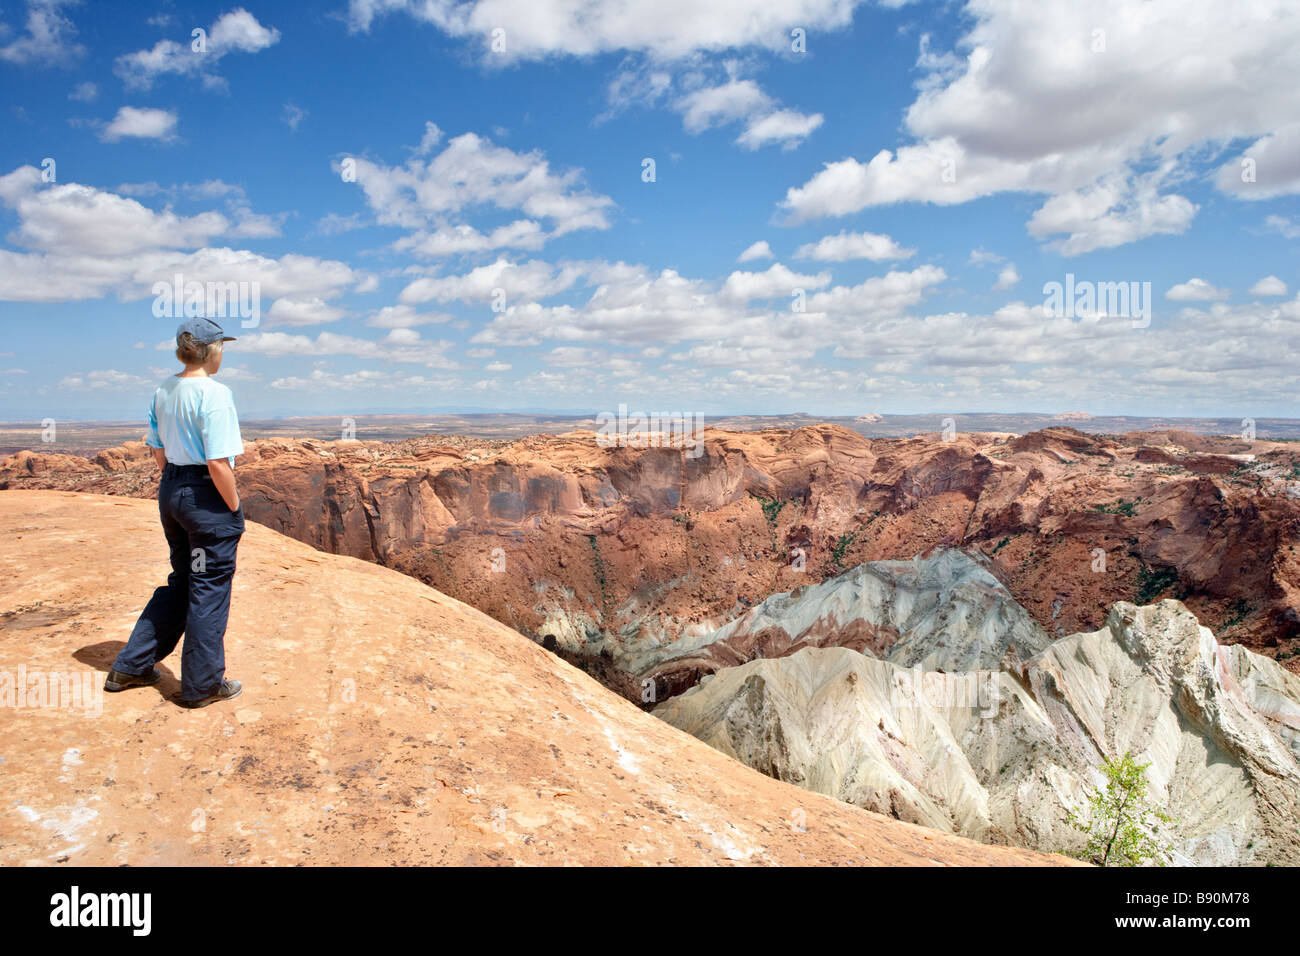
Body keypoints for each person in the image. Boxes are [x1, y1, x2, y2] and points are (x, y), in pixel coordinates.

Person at [104, 317, 246, 708]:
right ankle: (202, 686)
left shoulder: (164, 389)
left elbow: (158, 450)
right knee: (209, 587)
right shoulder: (215, 394)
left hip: (172, 490)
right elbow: (218, 462)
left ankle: (131, 666)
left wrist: (179, 487)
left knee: (184, 579)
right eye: (221, 347)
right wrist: (233, 508)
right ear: (211, 350)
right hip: (205, 499)